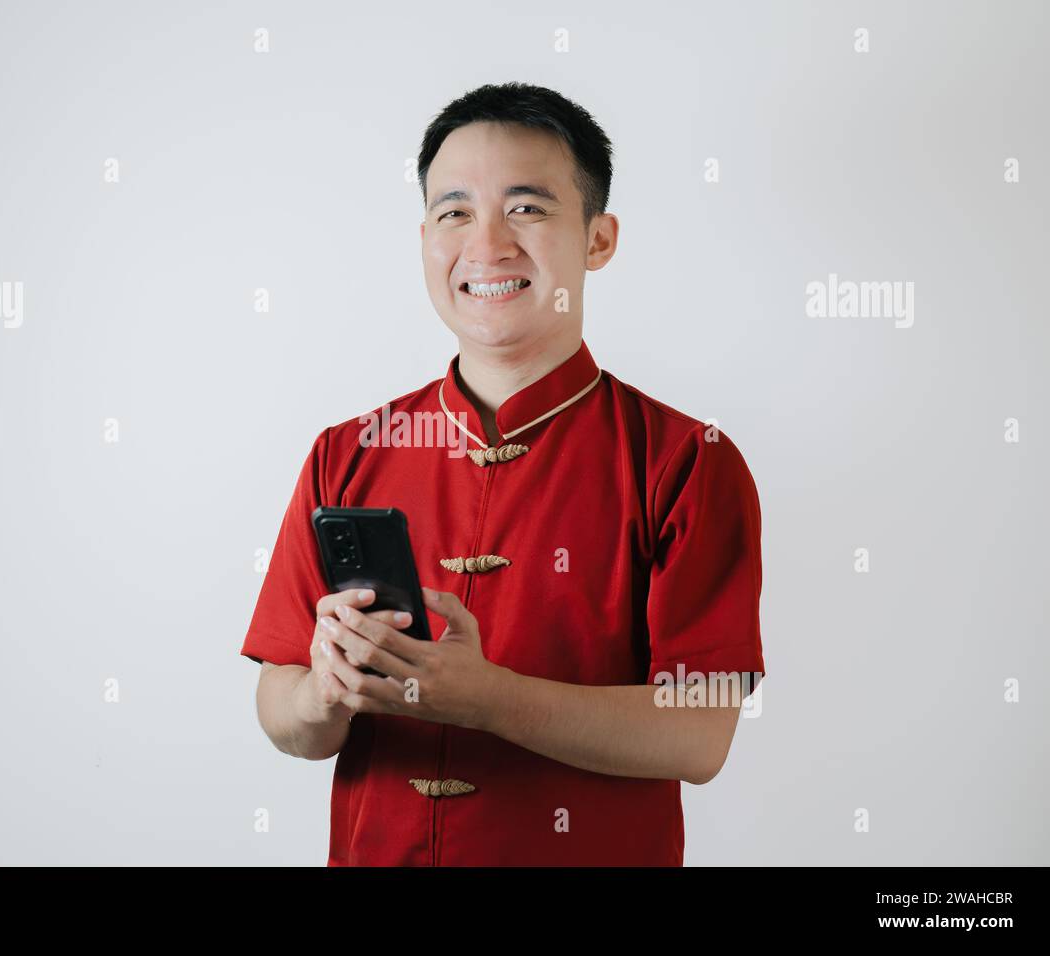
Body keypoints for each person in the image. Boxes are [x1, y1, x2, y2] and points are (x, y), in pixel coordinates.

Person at [240, 81, 765, 866]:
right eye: (454, 212)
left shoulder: (688, 460)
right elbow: (282, 713)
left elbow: (701, 733)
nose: (486, 244)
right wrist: (323, 690)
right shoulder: (347, 451)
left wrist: (490, 701)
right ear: (425, 238)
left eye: (526, 208)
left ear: (599, 239)